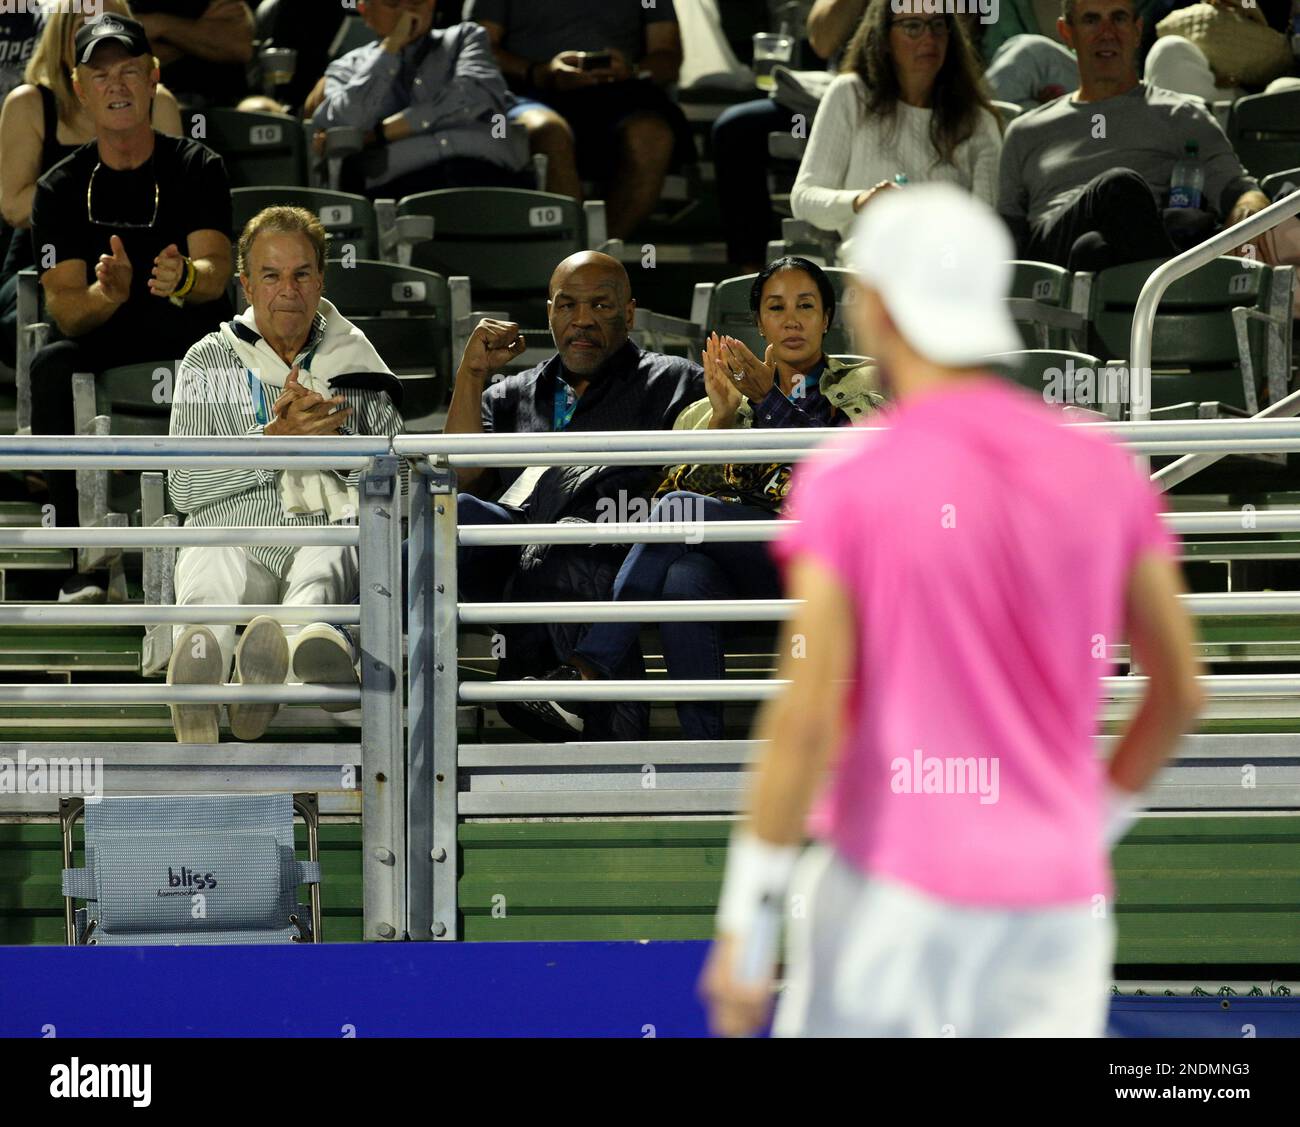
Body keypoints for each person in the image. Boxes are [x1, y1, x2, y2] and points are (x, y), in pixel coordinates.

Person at [699, 183, 1205, 1038]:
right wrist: (1082, 827)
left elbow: (806, 713)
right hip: (1052, 907)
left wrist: (747, 929)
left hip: (882, 890)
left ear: (884, 310)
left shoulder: (852, 478)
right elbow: (1181, 693)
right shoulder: (1101, 469)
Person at [512, 257, 884, 743]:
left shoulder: (866, 386)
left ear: (827, 318)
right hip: (750, 564)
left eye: (806, 306)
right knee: (684, 579)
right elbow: (672, 493)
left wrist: (772, 402)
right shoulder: (712, 406)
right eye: (776, 307)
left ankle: (585, 673)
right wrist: (724, 422)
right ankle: (702, 750)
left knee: (679, 514)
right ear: (760, 322)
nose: (792, 319)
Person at [166, 205, 407, 744]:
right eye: (271, 276)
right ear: (247, 286)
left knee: (335, 539)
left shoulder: (358, 364)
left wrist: (338, 446)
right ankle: (199, 680)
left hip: (320, 541)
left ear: (320, 280)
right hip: (240, 544)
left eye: (301, 274)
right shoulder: (210, 362)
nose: (288, 290)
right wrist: (274, 442)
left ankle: (286, 663)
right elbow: (183, 487)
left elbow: (404, 490)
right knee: (210, 543)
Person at [443, 250, 704, 739]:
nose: (582, 320)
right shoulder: (512, 392)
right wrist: (473, 374)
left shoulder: (674, 382)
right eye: (567, 306)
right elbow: (461, 475)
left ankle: (586, 720)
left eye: (601, 306)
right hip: (513, 550)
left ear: (628, 313)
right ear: (550, 313)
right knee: (450, 515)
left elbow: (700, 479)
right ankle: (354, 638)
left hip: (610, 548)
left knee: (566, 547)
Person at [28, 12, 233, 602]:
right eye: (101, 75)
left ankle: (225, 540)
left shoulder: (198, 166)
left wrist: (184, 277)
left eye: (130, 72)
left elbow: (217, 274)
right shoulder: (58, 188)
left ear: (153, 80)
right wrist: (105, 296)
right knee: (53, 365)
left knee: (227, 356)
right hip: (106, 332)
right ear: (79, 88)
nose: (116, 86)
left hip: (187, 330)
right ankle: (80, 562)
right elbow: (65, 308)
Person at [997, 0, 1270, 272]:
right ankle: (1176, 293)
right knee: (1118, 186)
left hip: (1123, 256)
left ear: (1137, 30)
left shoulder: (1181, 115)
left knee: (1093, 248)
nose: (1107, 33)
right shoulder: (1025, 130)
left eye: (1118, 19)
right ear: (1067, 33)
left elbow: (1242, 192)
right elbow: (1007, 236)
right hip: (1049, 260)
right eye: (1091, 20)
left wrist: (1249, 216)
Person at [0, 0, 183, 368]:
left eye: (111, 24)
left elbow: (176, 197)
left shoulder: (157, 102)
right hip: (46, 259)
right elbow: (14, 206)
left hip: (138, 253)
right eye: (84, 26)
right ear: (61, 41)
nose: (100, 37)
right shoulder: (29, 102)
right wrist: (105, 184)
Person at [791, 0, 1004, 266]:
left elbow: (986, 229)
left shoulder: (979, 121)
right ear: (884, 38)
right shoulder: (850, 95)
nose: (929, 37)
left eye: (938, 25)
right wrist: (860, 201)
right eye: (913, 26)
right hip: (868, 275)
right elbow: (804, 198)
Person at [465, 0, 693, 239]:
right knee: (550, 131)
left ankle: (594, 256)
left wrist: (631, 70)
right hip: (525, 92)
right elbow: (479, 48)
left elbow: (667, 56)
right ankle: (573, 255)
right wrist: (538, 72)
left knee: (652, 135)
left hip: (621, 95)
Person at [311, 0, 529, 199]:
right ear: (365, 10)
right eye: (393, 3)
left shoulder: (466, 38)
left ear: (432, 5)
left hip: (486, 174)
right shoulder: (347, 68)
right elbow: (345, 126)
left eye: (417, 1)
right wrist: (390, 48)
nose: (408, 10)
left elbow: (473, 98)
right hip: (399, 188)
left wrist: (382, 133)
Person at [713, 0, 867, 271]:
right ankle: (753, 278)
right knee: (737, 130)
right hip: (845, 93)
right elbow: (822, 41)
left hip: (926, 97)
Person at [128, 0, 254, 108]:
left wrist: (160, 24)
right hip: (151, 103)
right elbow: (125, 56)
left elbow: (239, 46)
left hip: (225, 101)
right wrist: (201, 39)